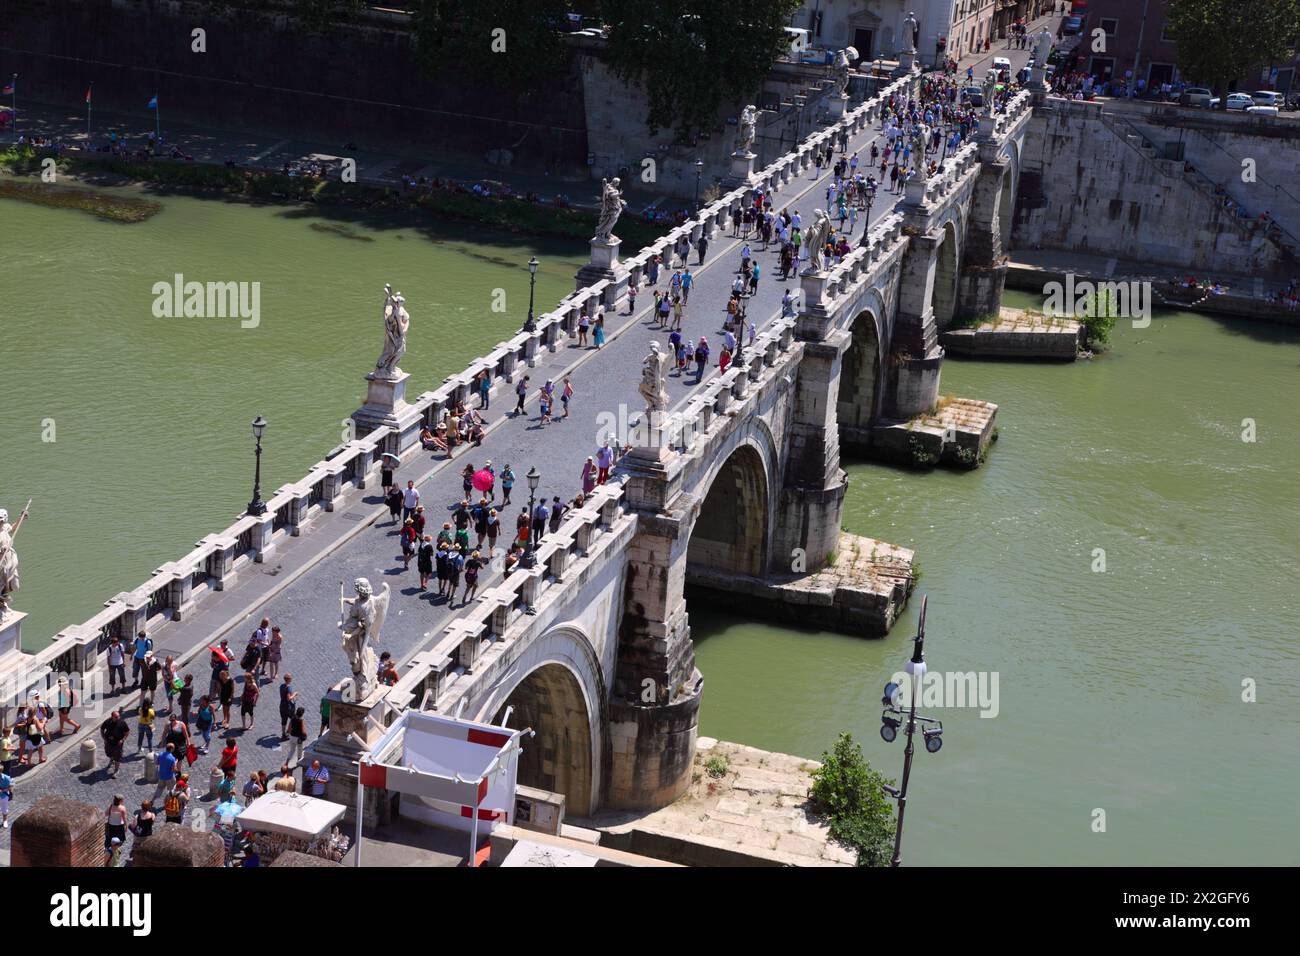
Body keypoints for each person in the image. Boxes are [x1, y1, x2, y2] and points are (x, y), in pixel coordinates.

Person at [101, 710, 129, 776]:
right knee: (108, 753)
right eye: (116, 717)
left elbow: (127, 732)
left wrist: (122, 740)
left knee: (117, 757)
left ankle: (116, 770)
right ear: (112, 717)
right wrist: (104, 738)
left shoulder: (122, 723)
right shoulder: (108, 721)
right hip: (108, 742)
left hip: (118, 744)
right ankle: (111, 759)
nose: (118, 718)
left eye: (118, 716)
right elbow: (102, 729)